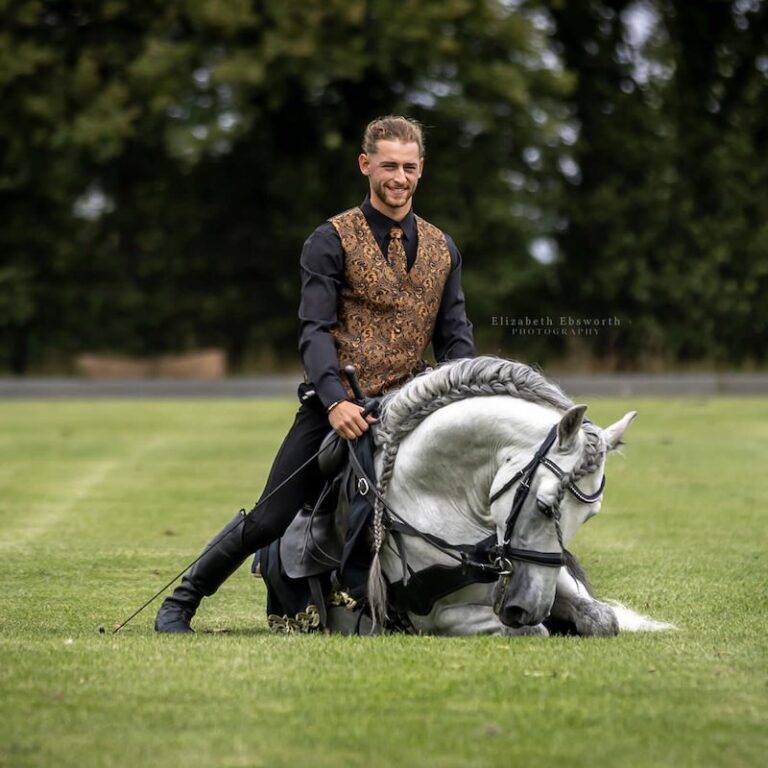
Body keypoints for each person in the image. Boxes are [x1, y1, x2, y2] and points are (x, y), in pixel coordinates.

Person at [155, 115, 475, 633]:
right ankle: (182, 601)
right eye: (389, 165)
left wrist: (464, 397)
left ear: (422, 170)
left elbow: (456, 335)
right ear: (365, 164)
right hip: (337, 407)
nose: (399, 177)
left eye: (410, 167)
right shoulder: (329, 239)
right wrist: (334, 401)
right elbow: (313, 331)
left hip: (412, 405)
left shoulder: (444, 248)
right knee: (269, 517)